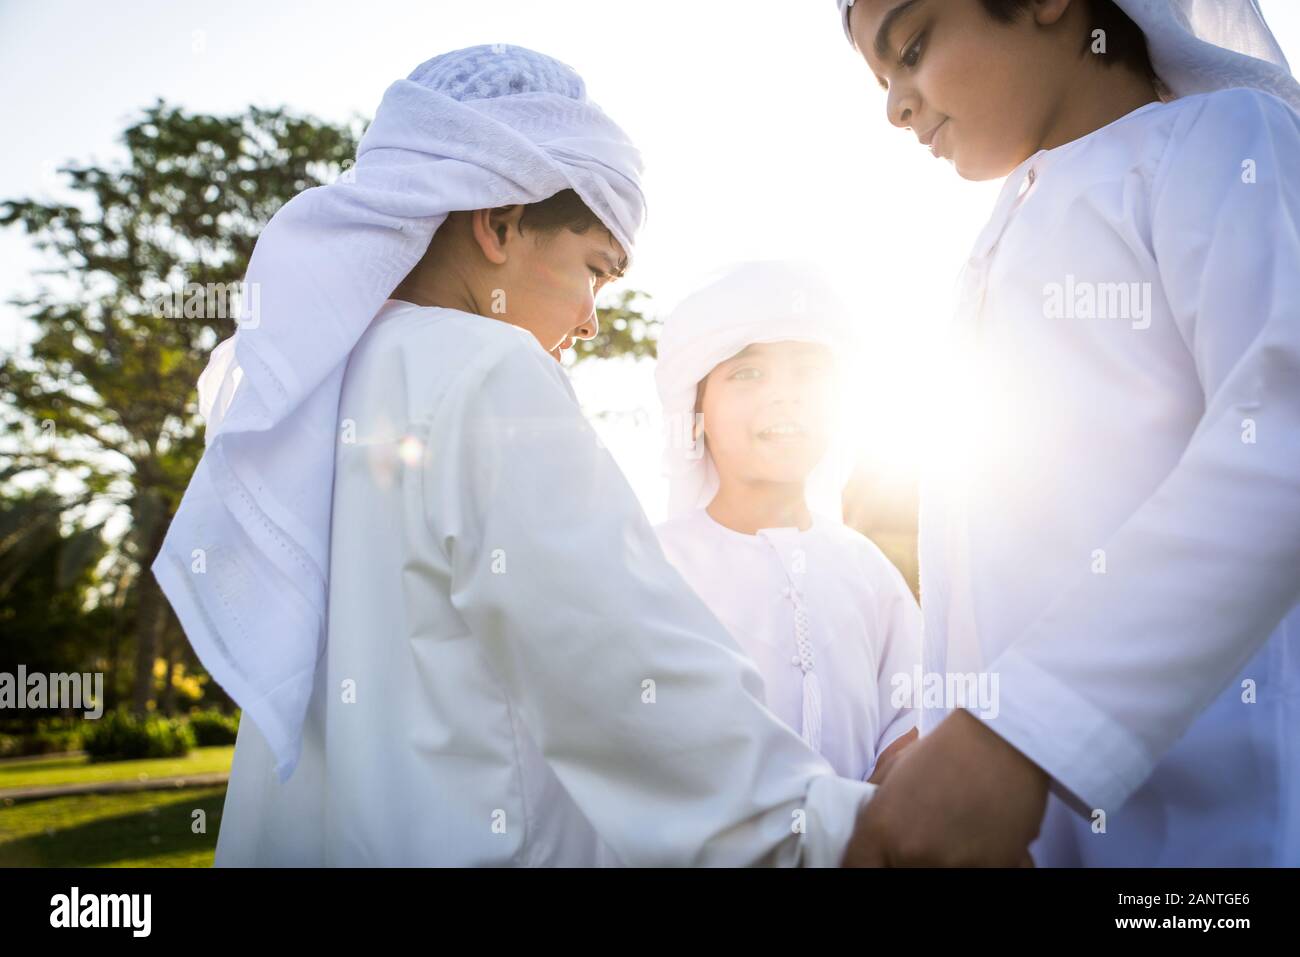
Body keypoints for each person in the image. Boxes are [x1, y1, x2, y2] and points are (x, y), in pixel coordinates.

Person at [153, 44, 875, 866]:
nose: (594, 319)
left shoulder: (328, 386)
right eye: (596, 272)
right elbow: (622, 670)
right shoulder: (487, 370)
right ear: (498, 223)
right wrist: (826, 825)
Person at [833, 0, 1300, 865]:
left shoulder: (1219, 141)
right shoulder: (995, 242)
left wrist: (1025, 731)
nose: (896, 105)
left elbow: (1280, 435)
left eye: (913, 45)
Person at [653, 262, 921, 785]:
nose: (785, 395)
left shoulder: (866, 570)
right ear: (694, 413)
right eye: (747, 372)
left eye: (809, 371)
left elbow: (912, 722)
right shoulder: (654, 566)